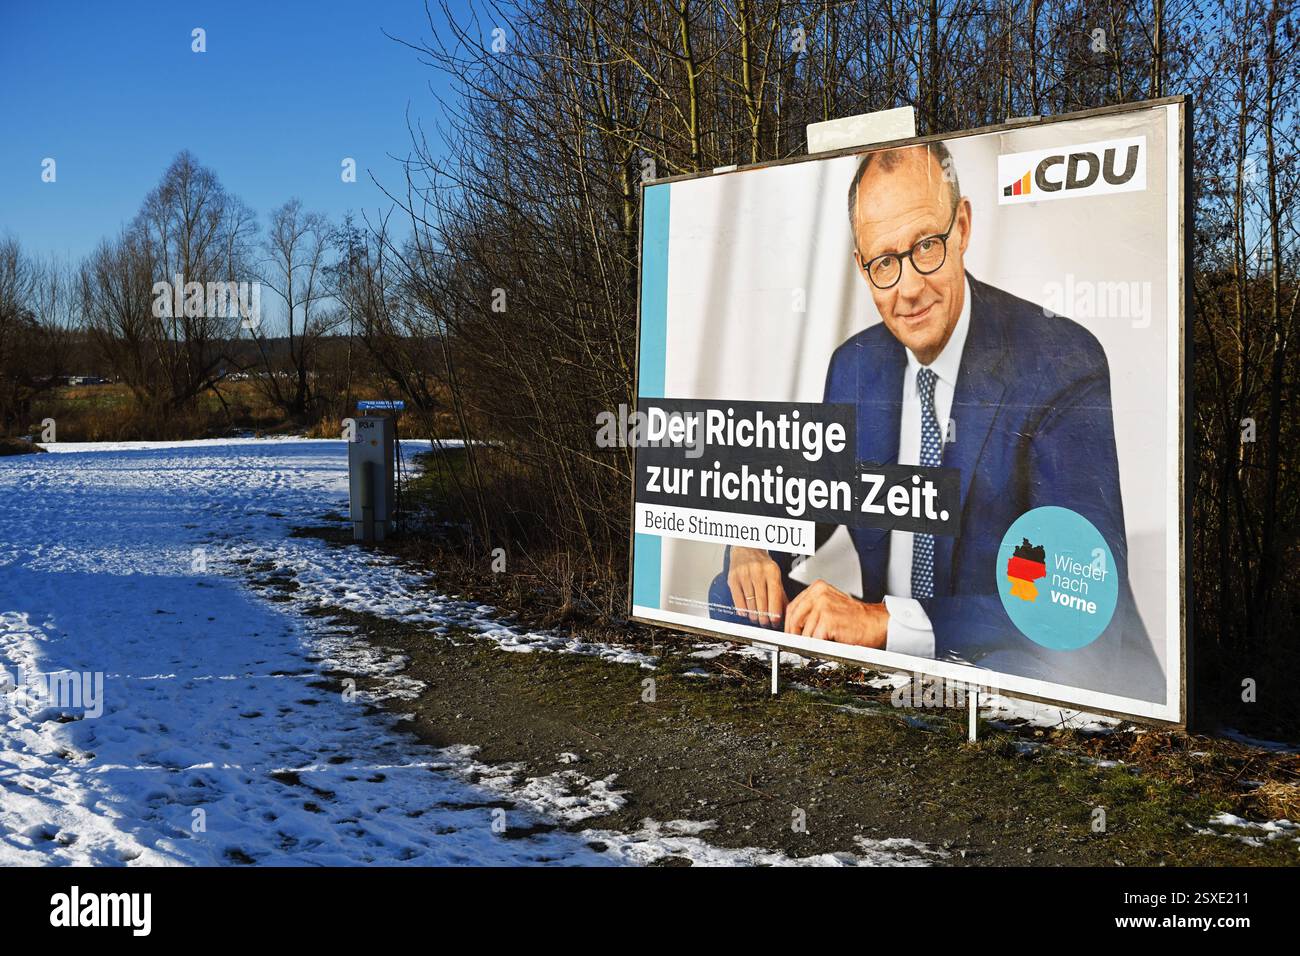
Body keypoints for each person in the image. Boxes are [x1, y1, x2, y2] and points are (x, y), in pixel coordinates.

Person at [707, 141, 1163, 701]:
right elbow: (809, 498)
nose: (909, 288)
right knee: (734, 592)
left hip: (1016, 653)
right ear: (862, 267)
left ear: (963, 227)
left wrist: (885, 624)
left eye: (926, 246)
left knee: (1044, 673)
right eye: (884, 263)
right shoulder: (853, 367)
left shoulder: (1061, 361)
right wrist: (753, 540)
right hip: (895, 670)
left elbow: (1075, 602)